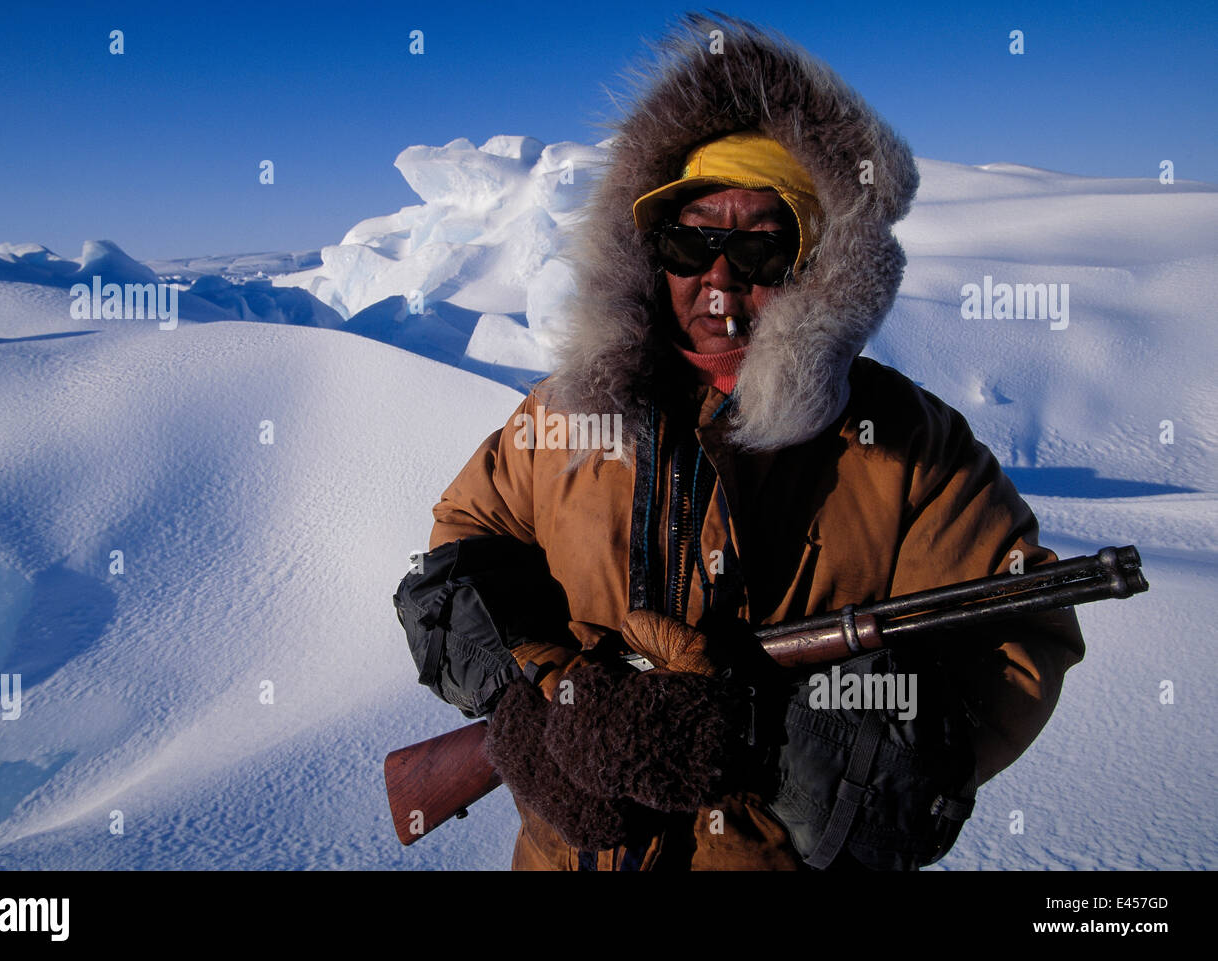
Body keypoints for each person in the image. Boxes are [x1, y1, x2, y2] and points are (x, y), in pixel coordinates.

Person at [409, 15, 1085, 870]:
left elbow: (1018, 634)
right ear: (652, 255)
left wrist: (769, 738)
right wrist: (539, 708)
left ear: (818, 262)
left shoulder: (909, 444)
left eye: (761, 246)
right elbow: (462, 549)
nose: (719, 277)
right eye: (691, 240)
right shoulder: (561, 415)